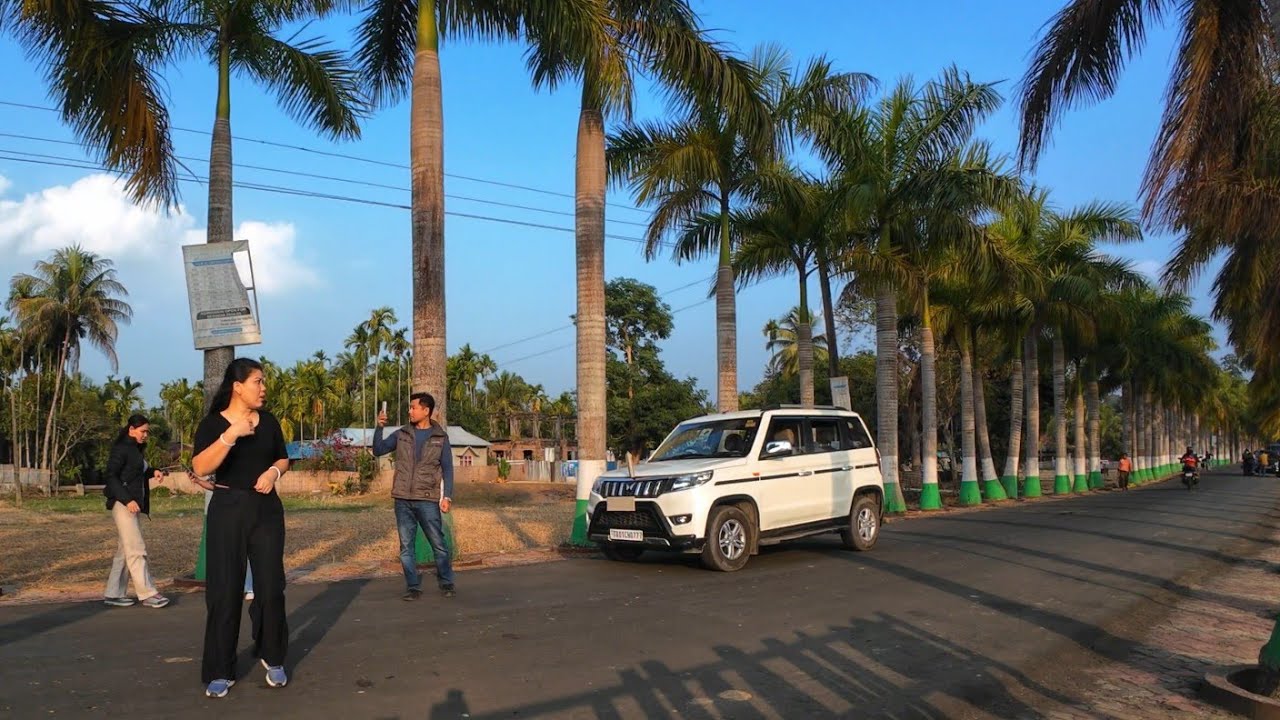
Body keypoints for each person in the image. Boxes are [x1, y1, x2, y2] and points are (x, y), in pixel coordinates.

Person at [192, 358, 290, 698]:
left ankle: (273, 655)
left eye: (263, 382)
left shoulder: (270, 422)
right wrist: (231, 434)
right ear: (237, 386)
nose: (263, 388)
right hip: (227, 509)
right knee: (224, 589)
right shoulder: (212, 424)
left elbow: (282, 457)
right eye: (257, 382)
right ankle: (221, 668)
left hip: (266, 510)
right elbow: (201, 466)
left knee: (270, 587)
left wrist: (273, 473)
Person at [373, 392, 455, 601]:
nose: (409, 411)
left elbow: (447, 468)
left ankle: (446, 581)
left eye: (413, 407)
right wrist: (379, 427)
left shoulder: (440, 437)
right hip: (402, 499)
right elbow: (378, 450)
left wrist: (447, 496)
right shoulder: (402, 434)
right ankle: (413, 587)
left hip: (427, 498)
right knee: (406, 547)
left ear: (426, 411)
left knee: (438, 542)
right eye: (409, 407)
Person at [103, 414, 170, 608]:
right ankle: (148, 593)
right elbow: (111, 476)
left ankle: (114, 593)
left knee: (125, 551)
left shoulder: (135, 450)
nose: (145, 435)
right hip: (123, 505)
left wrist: (153, 471)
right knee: (136, 548)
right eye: (142, 431)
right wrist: (127, 499)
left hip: (132, 505)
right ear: (131, 430)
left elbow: (136, 471)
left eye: (147, 431)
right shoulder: (122, 449)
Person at [189, 470, 256, 600]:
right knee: (228, 551)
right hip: (224, 510)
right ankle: (233, 587)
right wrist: (198, 481)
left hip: (244, 506)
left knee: (246, 551)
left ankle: (249, 587)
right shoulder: (218, 466)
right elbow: (216, 487)